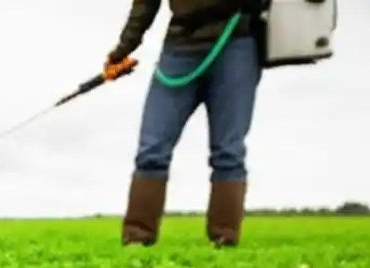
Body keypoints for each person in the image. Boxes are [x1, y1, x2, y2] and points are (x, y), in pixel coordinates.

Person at [109, 0, 264, 247]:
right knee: (151, 149)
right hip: (180, 44)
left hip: (236, 41)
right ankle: (137, 238)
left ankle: (224, 239)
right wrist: (124, 48)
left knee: (228, 151)